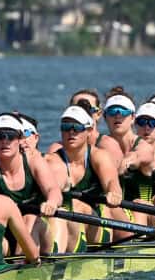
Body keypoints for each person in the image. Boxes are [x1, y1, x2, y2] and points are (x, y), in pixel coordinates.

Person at [49, 105, 126, 248]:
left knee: (77, 205)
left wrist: (114, 193)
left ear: (89, 131)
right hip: (65, 218)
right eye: (66, 127)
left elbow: (111, 181)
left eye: (76, 128)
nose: (71, 132)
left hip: (97, 224)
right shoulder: (53, 159)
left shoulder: (98, 156)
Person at [0, 112, 64, 254]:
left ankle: (23, 265)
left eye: (10, 135)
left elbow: (53, 190)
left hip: (38, 231)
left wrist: (51, 203)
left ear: (20, 139)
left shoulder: (33, 161)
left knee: (28, 218)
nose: (5, 141)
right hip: (6, 232)